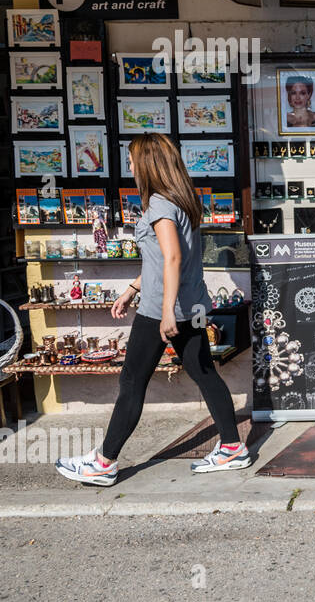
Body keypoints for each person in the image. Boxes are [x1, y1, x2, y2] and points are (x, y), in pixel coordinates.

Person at [56, 134, 249, 486]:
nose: (129, 166)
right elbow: (161, 260)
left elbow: (173, 257)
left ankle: (103, 463)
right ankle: (233, 447)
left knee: (131, 382)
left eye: (131, 160)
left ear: (147, 163)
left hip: (164, 310)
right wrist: (131, 289)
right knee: (205, 374)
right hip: (190, 305)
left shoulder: (160, 204)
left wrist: (164, 311)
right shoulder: (182, 199)